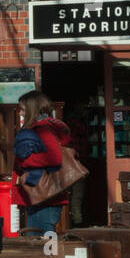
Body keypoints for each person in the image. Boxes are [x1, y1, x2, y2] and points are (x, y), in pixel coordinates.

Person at [13, 90, 71, 236]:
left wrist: (26, 162)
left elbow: (54, 158)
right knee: (42, 244)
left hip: (44, 198)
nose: (20, 113)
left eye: (23, 109)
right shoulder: (42, 128)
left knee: (42, 246)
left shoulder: (42, 129)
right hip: (43, 196)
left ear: (32, 110)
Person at [63, 98, 91, 227]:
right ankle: (77, 221)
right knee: (77, 195)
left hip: (70, 163)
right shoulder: (75, 123)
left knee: (71, 195)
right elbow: (86, 131)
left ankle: (71, 220)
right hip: (77, 164)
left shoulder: (68, 124)